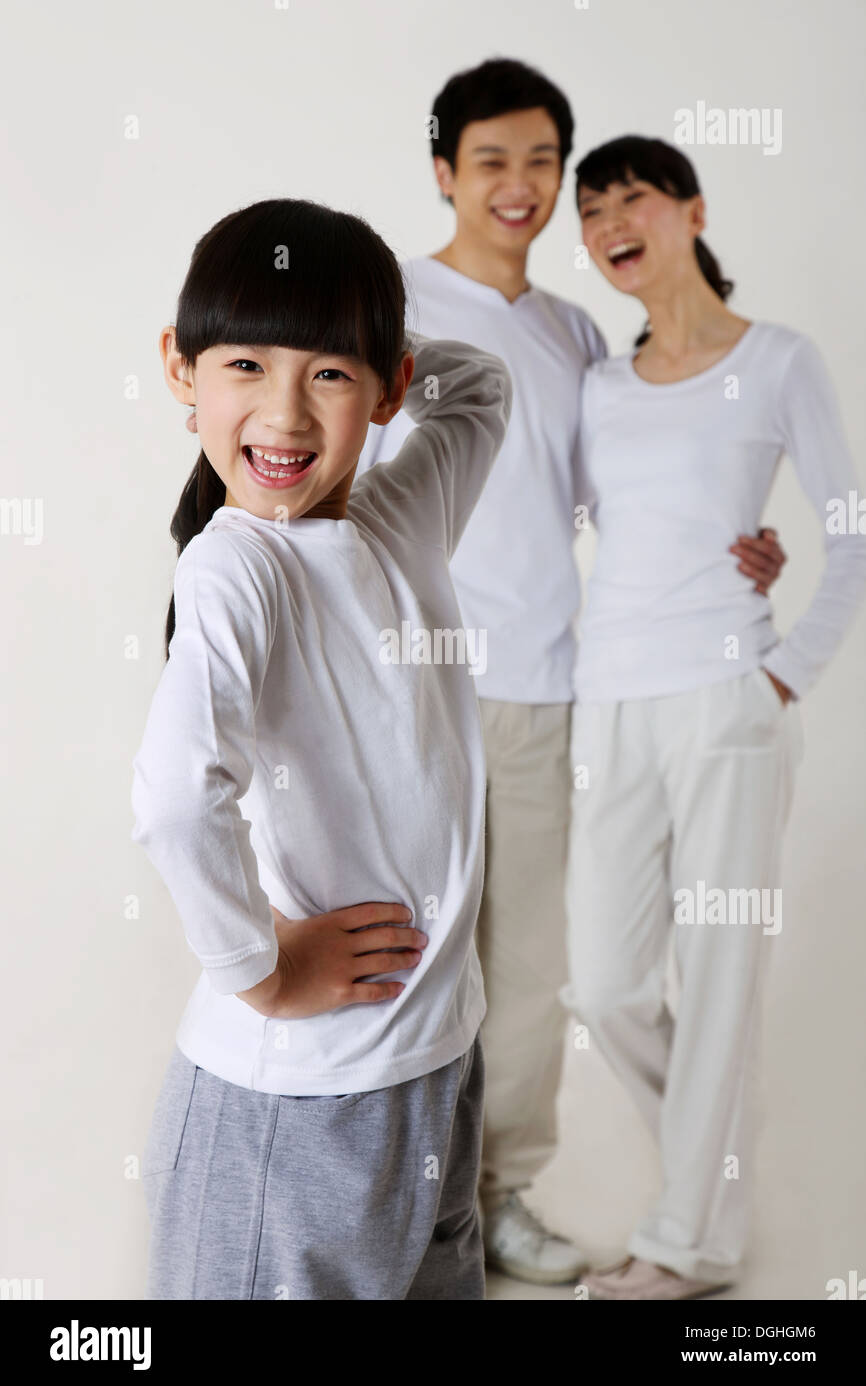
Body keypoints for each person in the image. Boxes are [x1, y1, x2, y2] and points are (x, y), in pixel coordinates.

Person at [355, 58, 785, 1285]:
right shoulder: (393, 305)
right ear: (444, 171)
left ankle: (497, 1197)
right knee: (402, 953)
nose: (521, 185)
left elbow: (630, 499)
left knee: (533, 976)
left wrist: (743, 545)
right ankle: (390, 1201)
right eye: (490, 159)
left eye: (542, 161)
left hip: (545, 691)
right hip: (408, 686)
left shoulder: (574, 334)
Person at [130, 197, 513, 1300]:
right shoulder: (235, 566)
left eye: (329, 376)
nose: (284, 413)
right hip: (295, 1101)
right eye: (243, 365)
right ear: (180, 368)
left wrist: (377, 340)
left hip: (435, 1063)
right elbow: (170, 795)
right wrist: (262, 967)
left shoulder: (402, 518)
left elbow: (481, 385)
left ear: (390, 386)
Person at [560, 135, 866, 1299]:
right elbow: (581, 525)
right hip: (609, 702)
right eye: (589, 211)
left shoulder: (777, 360)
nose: (606, 222)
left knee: (719, 973)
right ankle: (713, 1188)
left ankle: (686, 1242)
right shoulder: (595, 384)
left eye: (628, 198)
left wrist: (782, 671)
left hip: (728, 700)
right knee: (603, 984)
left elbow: (851, 527)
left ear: (690, 211)